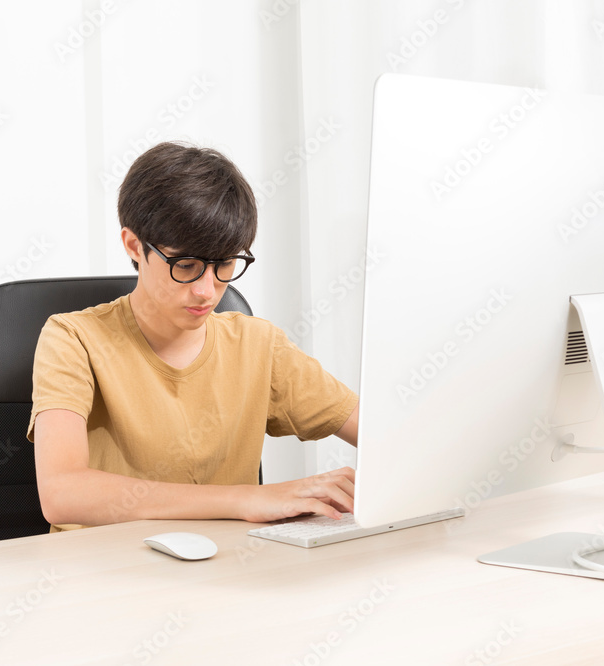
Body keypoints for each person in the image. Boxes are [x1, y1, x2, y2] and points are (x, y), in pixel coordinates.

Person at [26, 141, 358, 532]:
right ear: (135, 246)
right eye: (186, 265)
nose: (207, 290)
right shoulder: (72, 339)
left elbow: (383, 435)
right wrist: (247, 498)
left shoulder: (258, 345)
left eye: (224, 264)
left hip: (227, 572)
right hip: (104, 576)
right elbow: (62, 494)